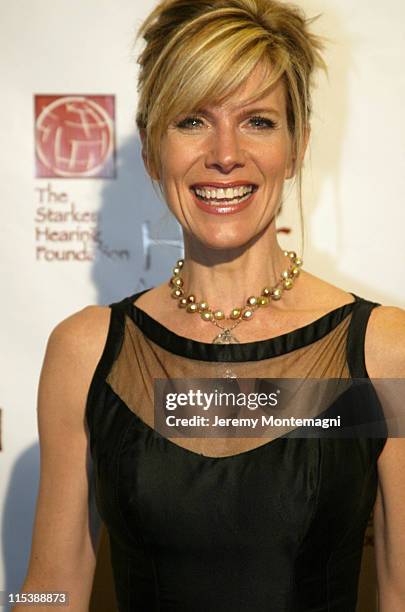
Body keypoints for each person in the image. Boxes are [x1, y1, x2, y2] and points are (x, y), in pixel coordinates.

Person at [16, 0, 405, 610]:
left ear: (298, 145)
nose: (225, 154)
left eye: (258, 121)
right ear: (151, 149)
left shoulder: (387, 352)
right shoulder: (86, 351)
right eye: (192, 120)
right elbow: (48, 592)